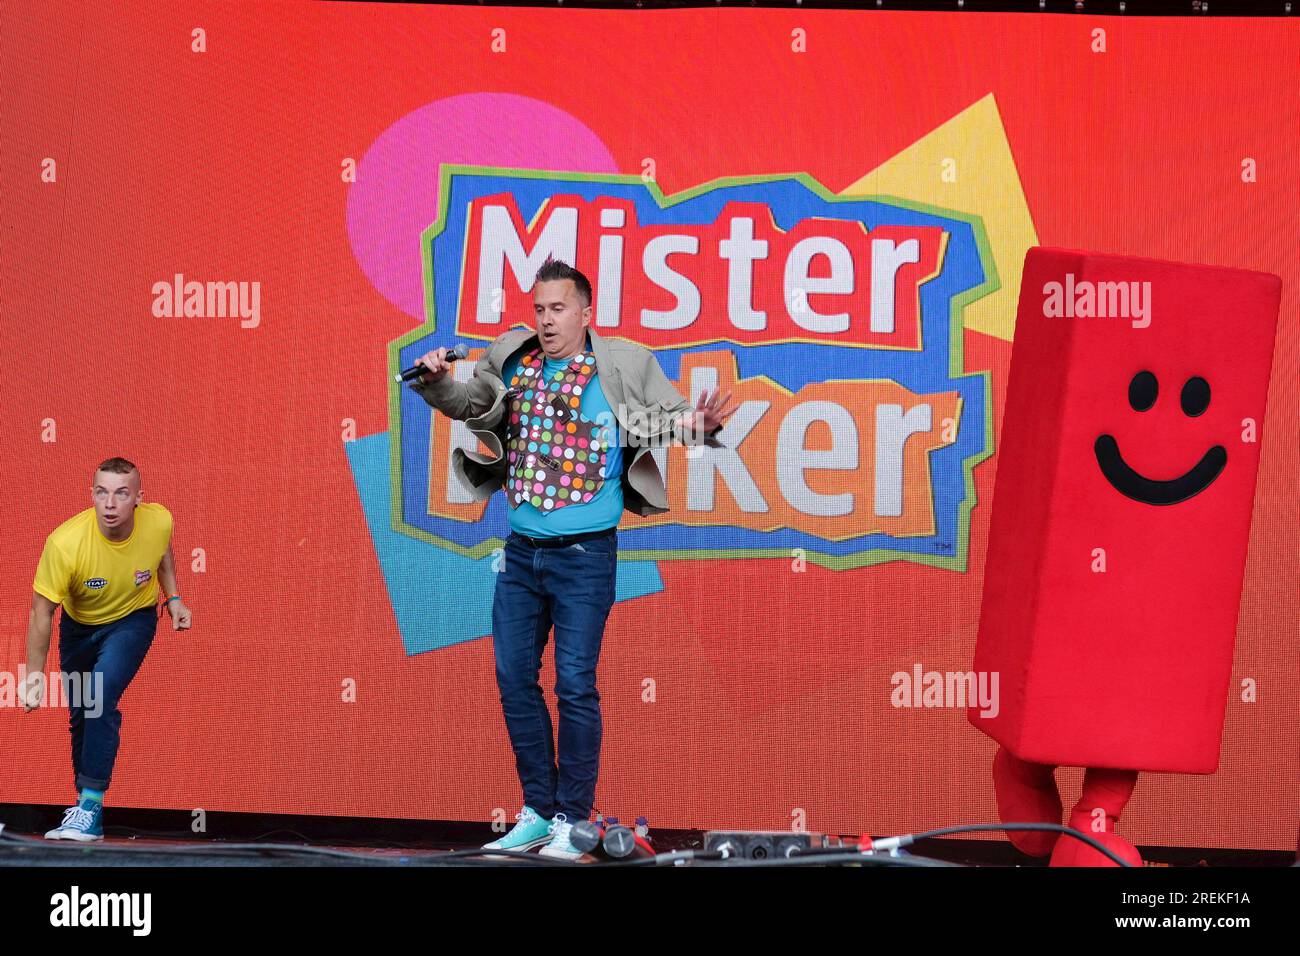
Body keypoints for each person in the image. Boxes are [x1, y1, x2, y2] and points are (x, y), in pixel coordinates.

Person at [410, 258, 735, 859]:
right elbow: (468, 404)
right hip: (521, 555)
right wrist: (434, 382)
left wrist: (698, 425)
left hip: (585, 557)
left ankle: (571, 820)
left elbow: (660, 422)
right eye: (539, 309)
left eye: (558, 309)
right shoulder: (514, 361)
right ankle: (537, 811)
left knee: (576, 684)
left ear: (587, 313)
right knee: (513, 679)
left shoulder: (620, 366)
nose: (547, 319)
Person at [23, 457, 192, 841]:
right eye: (102, 493)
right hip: (79, 630)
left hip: (133, 619)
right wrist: (33, 677)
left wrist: (175, 598)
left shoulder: (158, 519)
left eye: (121, 494)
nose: (110, 504)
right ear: (93, 496)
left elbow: (160, 549)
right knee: (83, 714)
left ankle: (90, 808)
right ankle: (85, 807)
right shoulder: (65, 544)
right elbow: (41, 612)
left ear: (138, 499)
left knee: (98, 695)